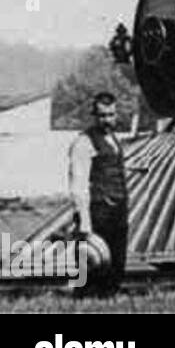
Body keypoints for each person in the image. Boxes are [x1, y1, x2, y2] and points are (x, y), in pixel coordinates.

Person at [67, 92, 129, 297]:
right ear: (94, 115)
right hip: (97, 210)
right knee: (90, 261)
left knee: (116, 260)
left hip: (117, 209)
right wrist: (84, 221)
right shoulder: (84, 142)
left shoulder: (113, 139)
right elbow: (79, 183)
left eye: (111, 115)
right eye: (102, 115)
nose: (107, 120)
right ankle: (84, 301)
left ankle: (109, 298)